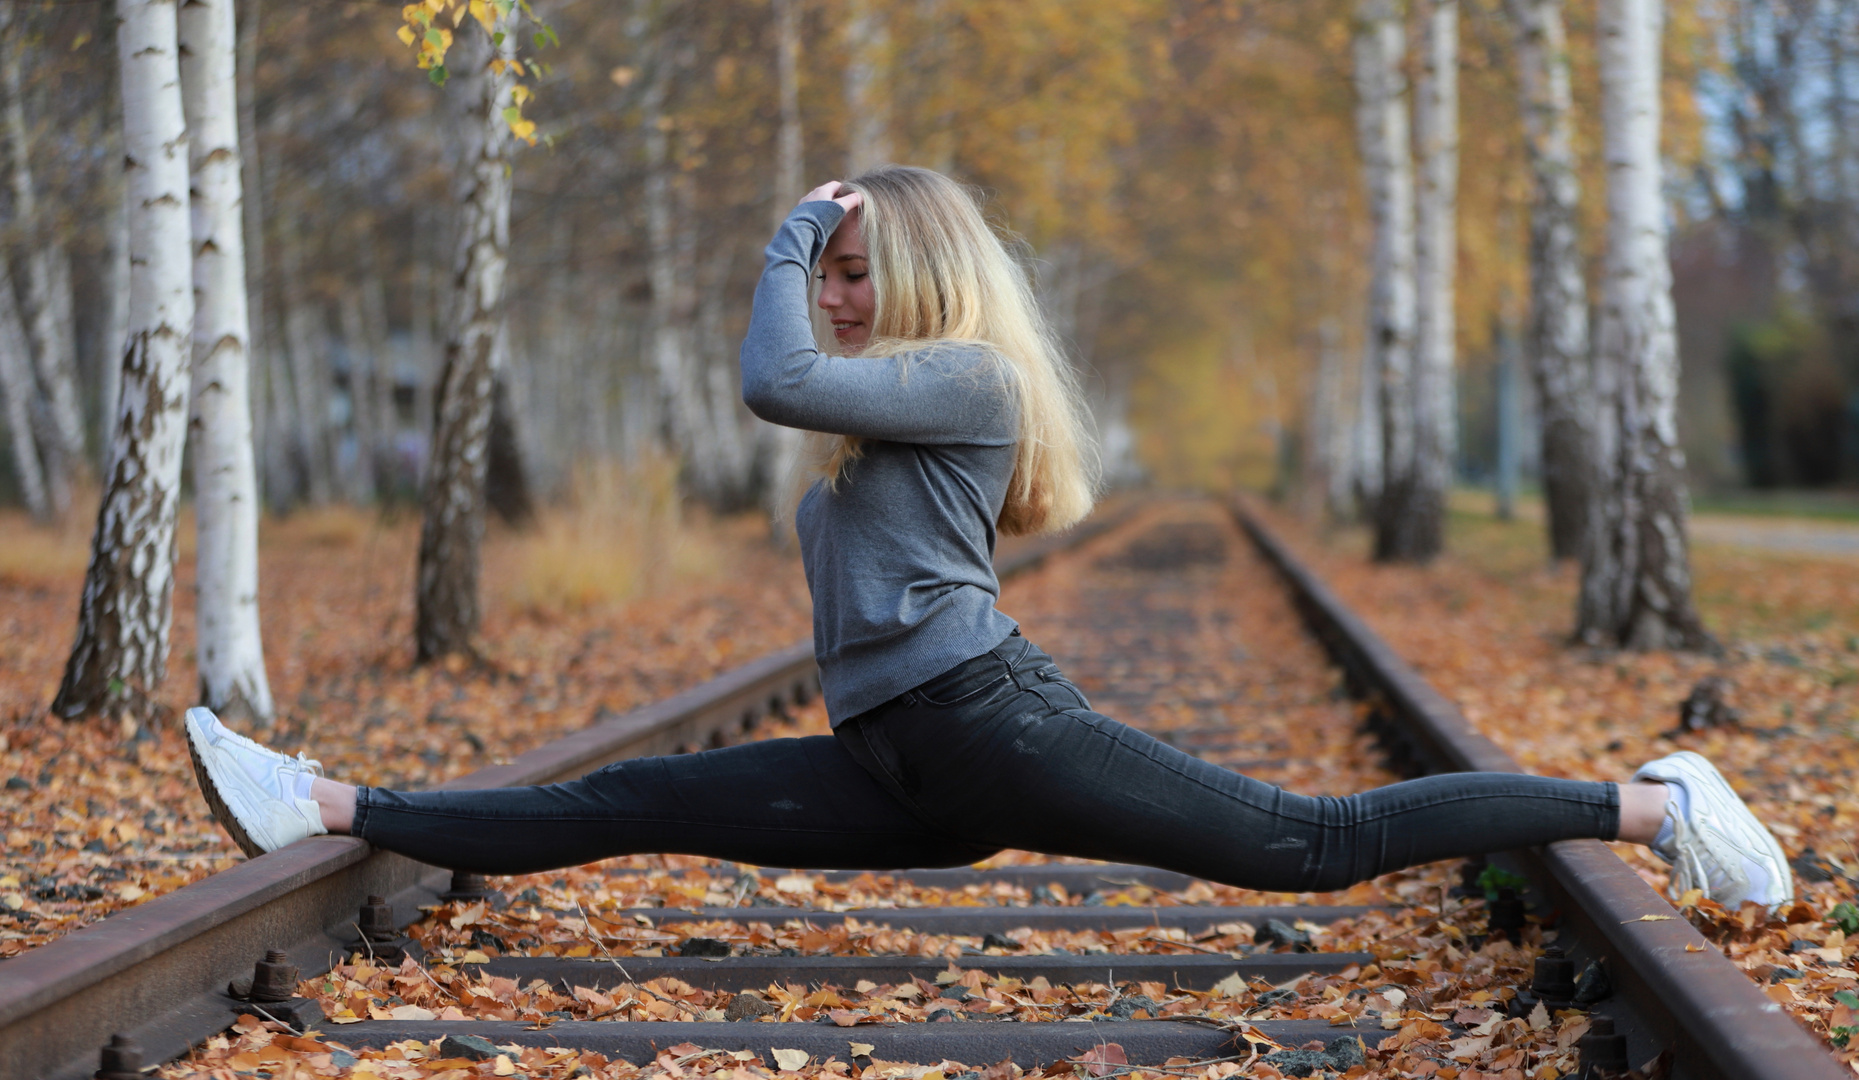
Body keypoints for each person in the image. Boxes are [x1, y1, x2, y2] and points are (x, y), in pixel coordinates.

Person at [185, 165, 1793, 913]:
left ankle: (1651, 804)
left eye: (855, 268)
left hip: (981, 722)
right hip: (903, 764)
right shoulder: (901, 399)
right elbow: (793, 378)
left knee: (1314, 847)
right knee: (632, 801)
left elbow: (766, 380)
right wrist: (814, 256)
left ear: (922, 276)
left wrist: (795, 217)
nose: (828, 289)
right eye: (826, 268)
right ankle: (324, 804)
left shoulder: (964, 377)